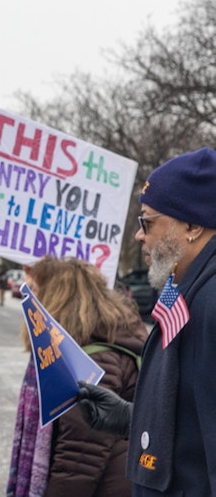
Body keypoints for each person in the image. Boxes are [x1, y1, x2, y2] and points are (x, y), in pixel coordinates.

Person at [76, 147, 216, 495]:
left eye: (147, 222)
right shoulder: (184, 289)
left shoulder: (211, 301)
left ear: (193, 226)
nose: (139, 235)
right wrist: (129, 417)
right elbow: (192, 419)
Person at [8, 256, 147, 497]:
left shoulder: (91, 360)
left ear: (57, 299)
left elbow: (79, 459)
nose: (30, 302)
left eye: (37, 292)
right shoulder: (94, 343)